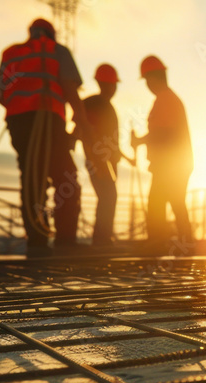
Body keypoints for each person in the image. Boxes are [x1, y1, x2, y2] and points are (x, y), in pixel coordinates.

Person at [0, 18, 92, 257]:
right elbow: (69, 87)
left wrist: (22, 105)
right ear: (52, 34)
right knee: (64, 177)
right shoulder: (57, 51)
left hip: (18, 123)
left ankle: (37, 240)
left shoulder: (11, 53)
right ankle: (66, 240)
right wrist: (83, 122)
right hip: (48, 120)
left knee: (31, 178)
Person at [130, 55, 195, 252]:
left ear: (153, 78)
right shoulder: (168, 99)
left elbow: (162, 133)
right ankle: (185, 244)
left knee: (158, 203)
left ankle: (158, 245)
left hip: (171, 164)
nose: (147, 86)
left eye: (147, 81)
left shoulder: (165, 99)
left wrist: (139, 141)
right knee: (175, 202)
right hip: (176, 163)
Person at [81, 63, 125, 247]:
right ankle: (101, 239)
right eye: (112, 84)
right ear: (105, 84)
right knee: (109, 195)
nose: (113, 89)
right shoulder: (95, 104)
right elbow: (82, 128)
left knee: (107, 196)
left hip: (104, 160)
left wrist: (122, 155)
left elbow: (110, 139)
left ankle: (102, 237)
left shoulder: (104, 106)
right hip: (97, 159)